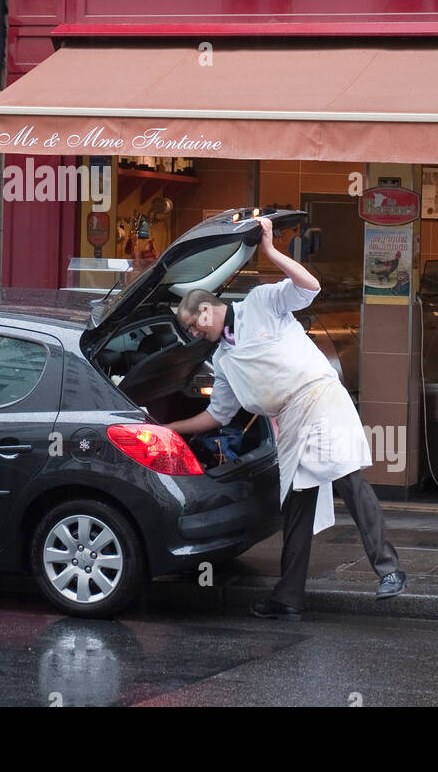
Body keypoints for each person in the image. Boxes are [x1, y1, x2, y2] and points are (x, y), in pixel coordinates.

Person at [169, 216, 405, 621]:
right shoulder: (223, 360)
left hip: (321, 398)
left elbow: (309, 288)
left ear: (207, 308)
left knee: (349, 478)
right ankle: (289, 597)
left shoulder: (261, 303)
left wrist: (272, 251)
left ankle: (390, 571)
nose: (194, 334)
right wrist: (168, 429)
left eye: (194, 324)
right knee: (295, 508)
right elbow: (217, 415)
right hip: (291, 421)